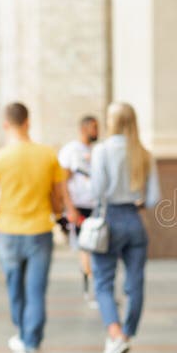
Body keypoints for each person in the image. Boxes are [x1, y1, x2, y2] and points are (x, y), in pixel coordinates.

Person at [0, 102, 79, 353]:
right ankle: (31, 344)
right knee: (36, 291)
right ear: (28, 122)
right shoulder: (48, 155)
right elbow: (59, 198)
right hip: (39, 232)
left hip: (8, 233)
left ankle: (24, 334)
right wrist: (61, 215)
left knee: (15, 288)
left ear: (5, 125)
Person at [89, 102, 160, 353]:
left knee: (104, 281)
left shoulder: (101, 151)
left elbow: (97, 190)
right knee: (135, 283)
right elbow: (153, 198)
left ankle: (115, 335)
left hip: (108, 220)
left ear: (110, 121)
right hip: (134, 219)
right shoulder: (144, 154)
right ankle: (127, 334)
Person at [58, 115, 99, 305]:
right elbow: (62, 180)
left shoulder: (95, 151)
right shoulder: (71, 151)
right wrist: (70, 208)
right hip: (79, 206)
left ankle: (96, 289)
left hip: (95, 205)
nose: (96, 131)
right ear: (83, 129)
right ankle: (89, 291)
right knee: (86, 247)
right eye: (93, 127)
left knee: (95, 246)